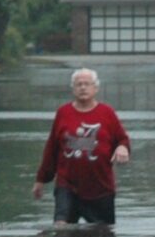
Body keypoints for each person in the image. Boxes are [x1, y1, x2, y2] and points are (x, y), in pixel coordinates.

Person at [32, 67, 131, 225]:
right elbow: (52, 148)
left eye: (87, 84)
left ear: (96, 88)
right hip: (68, 185)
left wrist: (122, 148)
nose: (83, 87)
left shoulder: (107, 113)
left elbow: (122, 140)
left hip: (100, 188)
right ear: (73, 89)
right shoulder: (63, 113)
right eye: (79, 84)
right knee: (61, 227)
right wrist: (41, 180)